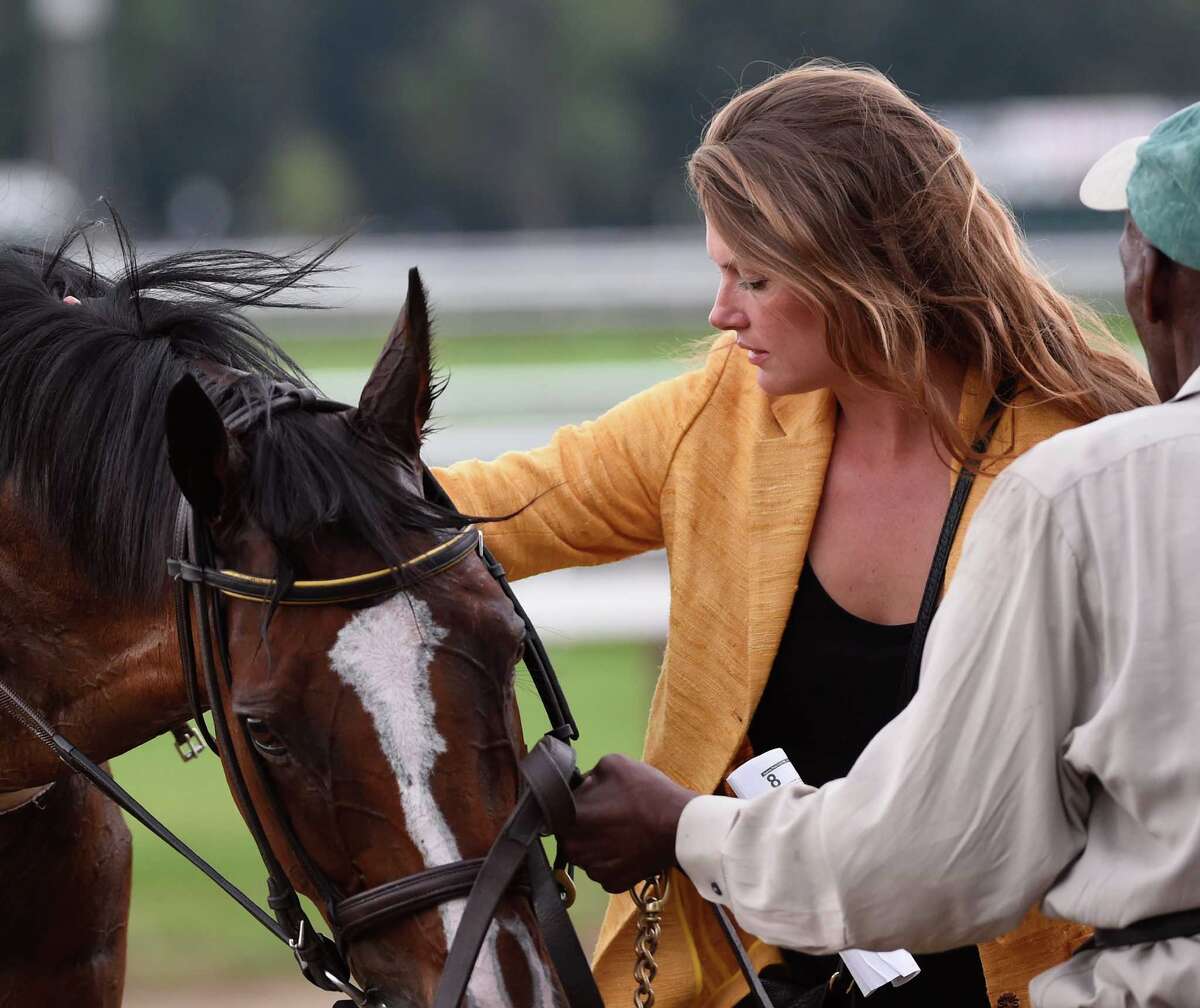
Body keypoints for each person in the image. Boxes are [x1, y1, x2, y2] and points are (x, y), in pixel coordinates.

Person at [435, 63, 1152, 1008]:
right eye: (719, 270)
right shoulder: (711, 425)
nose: (721, 312)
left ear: (865, 274)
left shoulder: (1082, 469)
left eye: (755, 278)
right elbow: (463, 511)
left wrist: (682, 827)